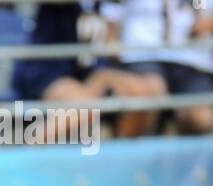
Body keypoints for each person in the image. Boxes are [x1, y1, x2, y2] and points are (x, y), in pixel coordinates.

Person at [13, 2, 164, 139]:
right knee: (89, 106)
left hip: (92, 74)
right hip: (48, 73)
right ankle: (31, 149)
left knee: (145, 92)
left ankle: (122, 158)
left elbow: (105, 51)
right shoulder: (57, 8)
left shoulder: (102, 6)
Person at [104, 0, 213, 135]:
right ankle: (127, 151)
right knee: (150, 92)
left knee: (200, 118)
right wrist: (111, 38)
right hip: (144, 54)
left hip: (193, 60)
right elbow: (111, 11)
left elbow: (201, 6)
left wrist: (208, 22)